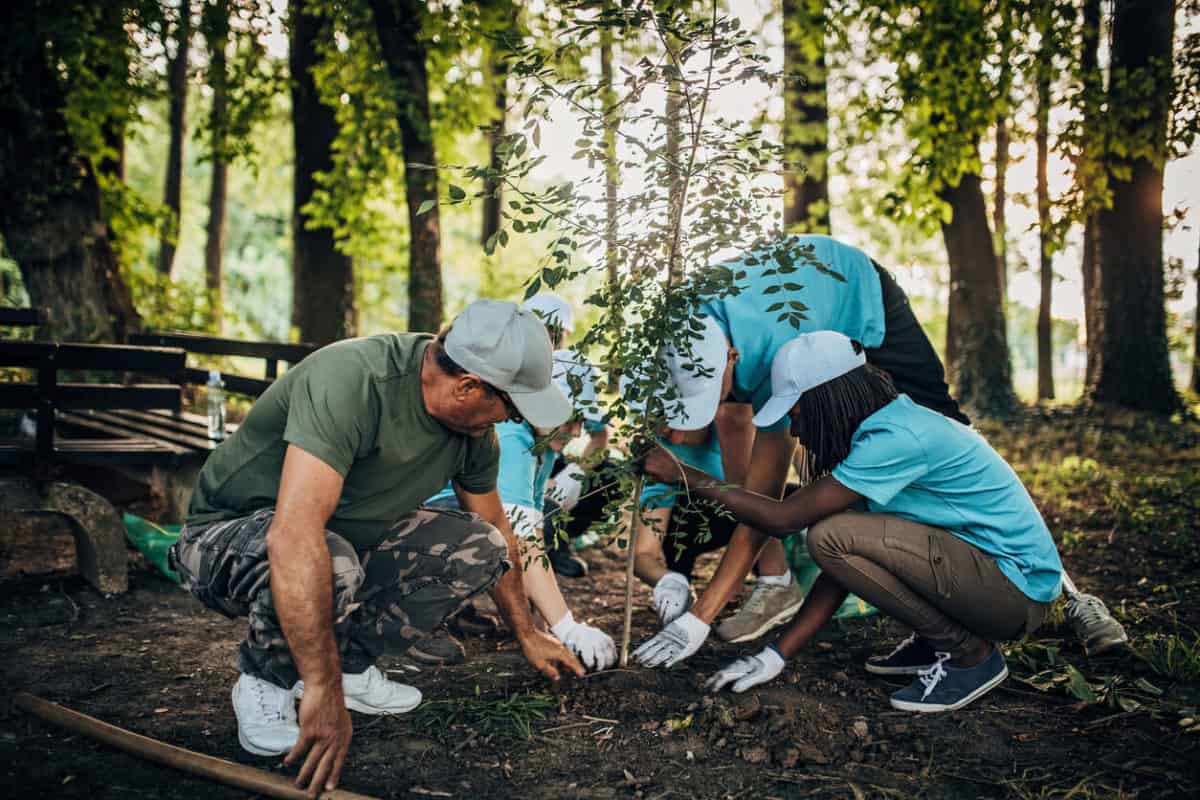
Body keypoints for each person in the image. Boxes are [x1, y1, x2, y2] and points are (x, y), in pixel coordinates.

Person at [633, 234, 1124, 665]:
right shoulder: (681, 327)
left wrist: (702, 615)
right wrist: (767, 578)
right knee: (845, 501)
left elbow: (771, 498)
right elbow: (730, 420)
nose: (682, 429)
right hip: (782, 314)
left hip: (852, 289)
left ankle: (1066, 592)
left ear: (733, 359)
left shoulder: (784, 345)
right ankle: (779, 585)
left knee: (944, 430)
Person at [169, 300, 585, 795]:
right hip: (223, 540)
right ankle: (266, 680)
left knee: (480, 546)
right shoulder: (355, 381)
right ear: (469, 386)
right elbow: (294, 535)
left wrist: (528, 632)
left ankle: (348, 666)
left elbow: (497, 527)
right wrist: (320, 694)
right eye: (511, 407)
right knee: (331, 560)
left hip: (335, 541)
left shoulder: (473, 431)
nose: (508, 421)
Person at [640, 331, 1064, 712]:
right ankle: (936, 641)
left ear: (829, 399)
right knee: (836, 535)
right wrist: (775, 655)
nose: (798, 431)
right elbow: (845, 568)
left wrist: (688, 477)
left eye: (799, 414)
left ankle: (970, 656)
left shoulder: (895, 439)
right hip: (988, 580)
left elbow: (786, 519)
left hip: (1014, 593)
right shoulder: (883, 429)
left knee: (829, 534)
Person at [426, 349, 618, 671]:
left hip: (464, 519)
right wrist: (566, 627)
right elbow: (520, 543)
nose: (577, 433)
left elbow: (532, 539)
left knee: (541, 515)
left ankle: (460, 607)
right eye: (571, 420)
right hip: (425, 524)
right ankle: (421, 621)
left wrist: (541, 630)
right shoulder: (514, 440)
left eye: (582, 421)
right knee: (487, 538)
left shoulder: (541, 444)